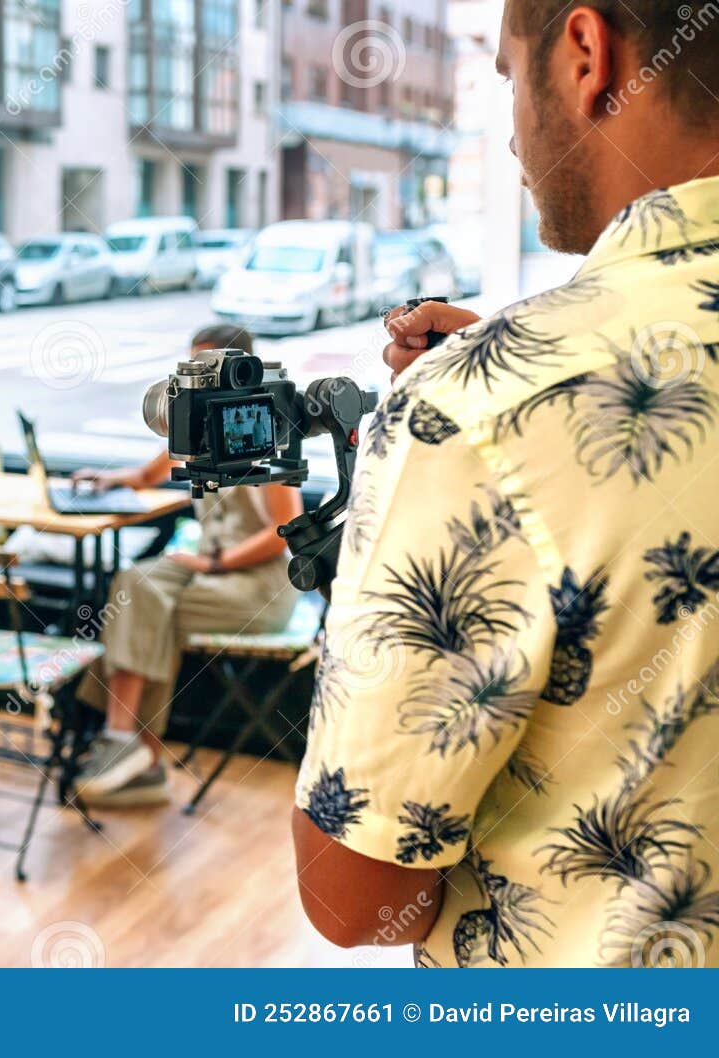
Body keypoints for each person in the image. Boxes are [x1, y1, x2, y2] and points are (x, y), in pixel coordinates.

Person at [292, 0, 719, 967]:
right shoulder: (497, 403)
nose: (511, 131)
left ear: (584, 54)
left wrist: (458, 449)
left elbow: (353, 897)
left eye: (503, 78)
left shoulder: (472, 414)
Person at [70, 323, 303, 806]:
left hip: (259, 585)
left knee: (150, 611)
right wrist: (107, 480)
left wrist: (213, 562)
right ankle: (134, 754)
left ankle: (135, 754)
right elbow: (149, 474)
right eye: (191, 368)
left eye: (207, 369)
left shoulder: (263, 433)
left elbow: (284, 534)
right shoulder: (196, 426)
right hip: (208, 566)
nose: (196, 379)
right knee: (134, 584)